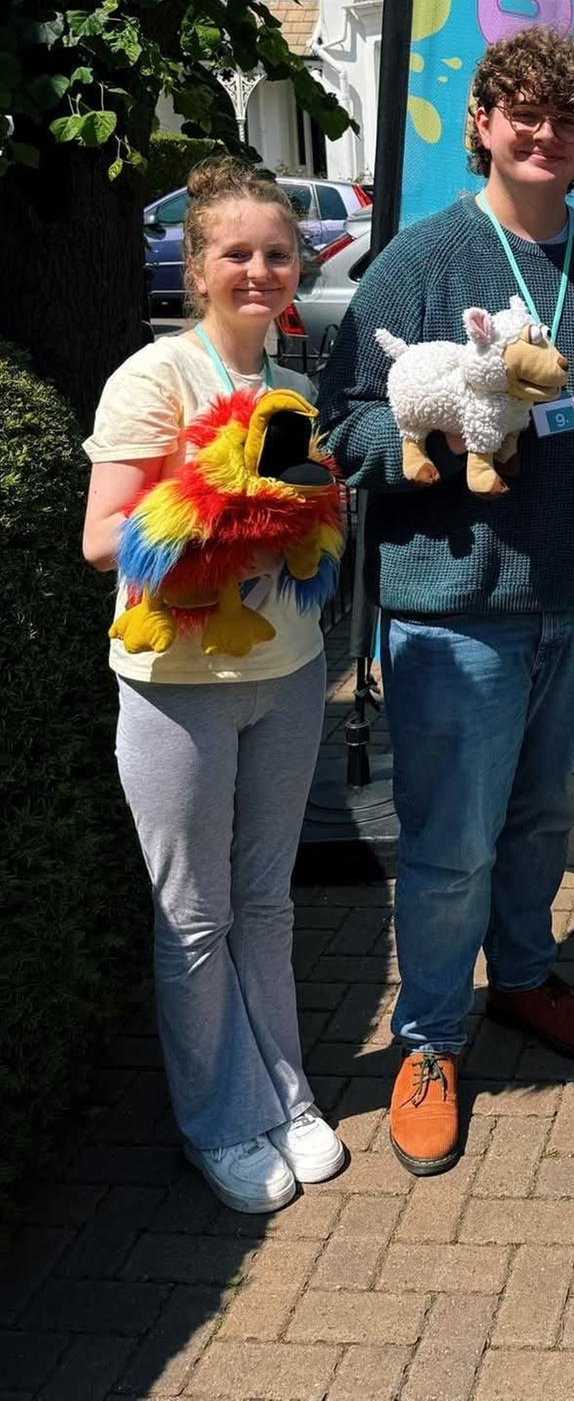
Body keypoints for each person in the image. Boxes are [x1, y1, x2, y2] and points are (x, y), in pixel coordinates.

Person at [318, 26, 574, 1176]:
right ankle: (427, 1039)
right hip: (457, 607)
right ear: (482, 121)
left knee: (539, 819)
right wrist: (425, 436)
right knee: (449, 845)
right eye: (523, 112)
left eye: (568, 120)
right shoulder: (419, 260)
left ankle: (521, 977)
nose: (544, 133)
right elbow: (346, 421)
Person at [82, 160, 345, 1215]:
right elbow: (104, 541)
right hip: (177, 686)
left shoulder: (292, 384)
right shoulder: (154, 379)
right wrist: (213, 517)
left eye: (276, 253)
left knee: (265, 901)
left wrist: (310, 523)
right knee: (192, 916)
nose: (258, 269)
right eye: (235, 252)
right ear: (197, 266)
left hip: (288, 674)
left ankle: (282, 1092)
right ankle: (217, 1121)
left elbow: (305, 522)